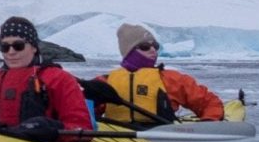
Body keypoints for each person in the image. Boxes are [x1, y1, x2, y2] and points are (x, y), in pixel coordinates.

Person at [0, 16, 93, 142]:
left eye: (18, 46)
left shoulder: (59, 79)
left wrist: (52, 129)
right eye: (4, 47)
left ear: (34, 47)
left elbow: (82, 129)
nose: (11, 52)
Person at [96, 23, 225, 126]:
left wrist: (209, 122)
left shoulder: (171, 79)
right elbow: (83, 112)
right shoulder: (105, 82)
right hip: (116, 136)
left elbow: (208, 102)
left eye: (155, 46)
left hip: (162, 135)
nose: (153, 50)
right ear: (129, 52)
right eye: (145, 46)